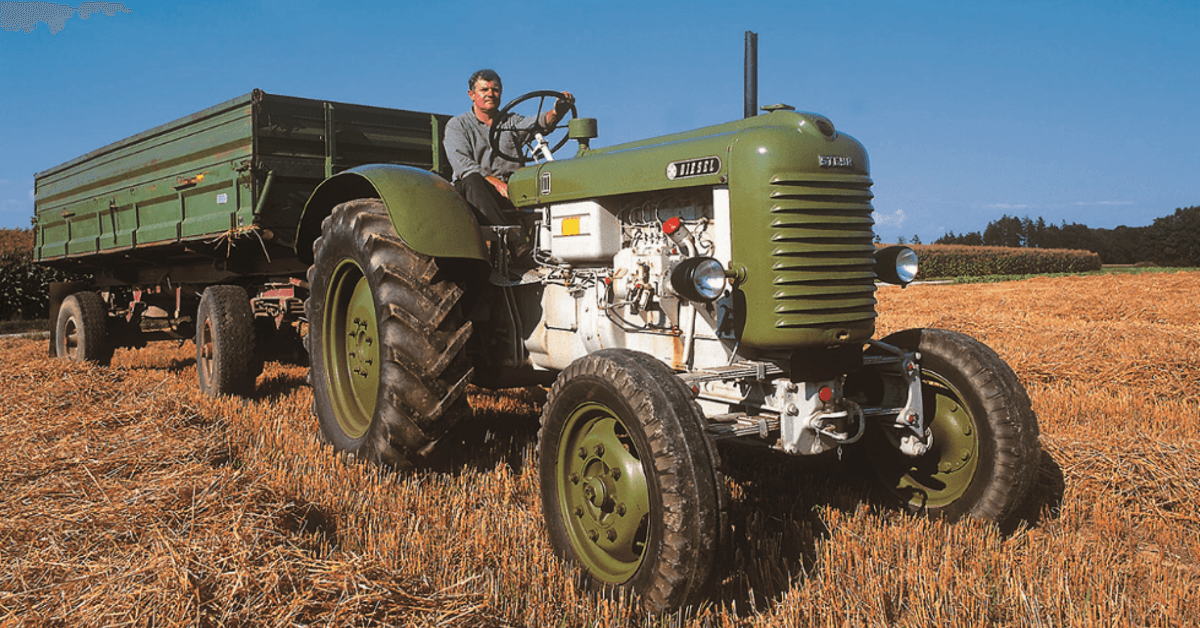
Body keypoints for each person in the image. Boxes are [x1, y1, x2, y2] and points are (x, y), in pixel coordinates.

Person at [444, 69, 574, 233]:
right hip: (480, 191)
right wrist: (497, 183)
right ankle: (515, 245)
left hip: (512, 188)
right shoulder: (458, 125)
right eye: (484, 90)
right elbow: (462, 164)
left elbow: (535, 124)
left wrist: (556, 112)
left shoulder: (510, 122)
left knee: (550, 177)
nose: (490, 94)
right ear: (472, 94)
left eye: (495, 90)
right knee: (472, 181)